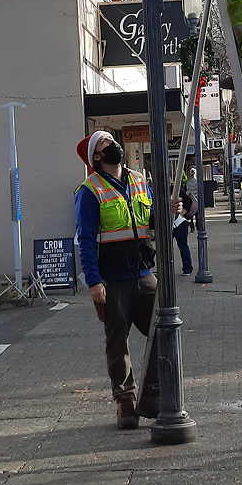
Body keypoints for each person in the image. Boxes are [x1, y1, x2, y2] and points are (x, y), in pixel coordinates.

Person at [74, 130, 159, 429]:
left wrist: (166, 213)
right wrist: (94, 281)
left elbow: (149, 221)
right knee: (117, 341)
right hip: (113, 278)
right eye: (106, 144)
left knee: (163, 331)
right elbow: (85, 239)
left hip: (143, 273)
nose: (114, 146)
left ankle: (152, 395)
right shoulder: (90, 190)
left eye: (113, 142)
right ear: (96, 157)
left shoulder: (138, 180)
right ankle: (125, 402)